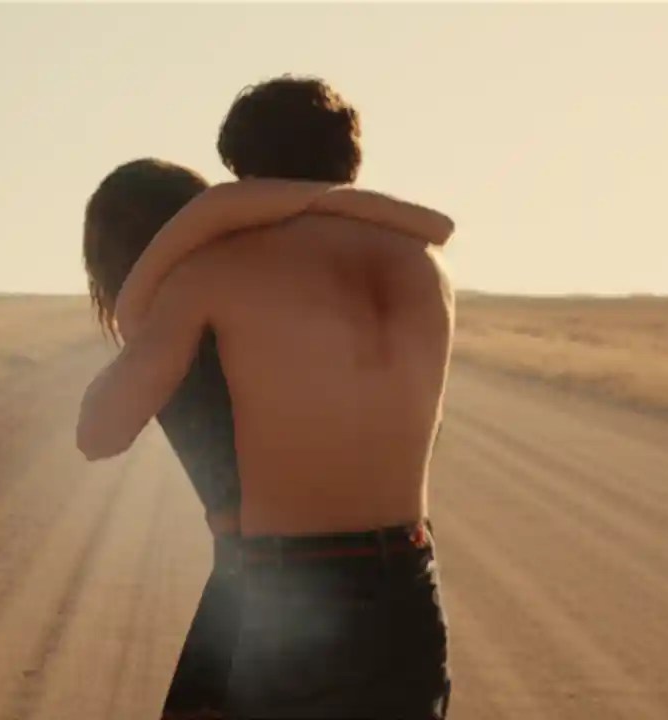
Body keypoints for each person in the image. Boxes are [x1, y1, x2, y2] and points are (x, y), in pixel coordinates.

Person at [78, 75, 455, 719]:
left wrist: (187, 237)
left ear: (246, 175)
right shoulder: (427, 268)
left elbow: (100, 432)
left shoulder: (219, 272)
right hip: (411, 583)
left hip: (293, 584)